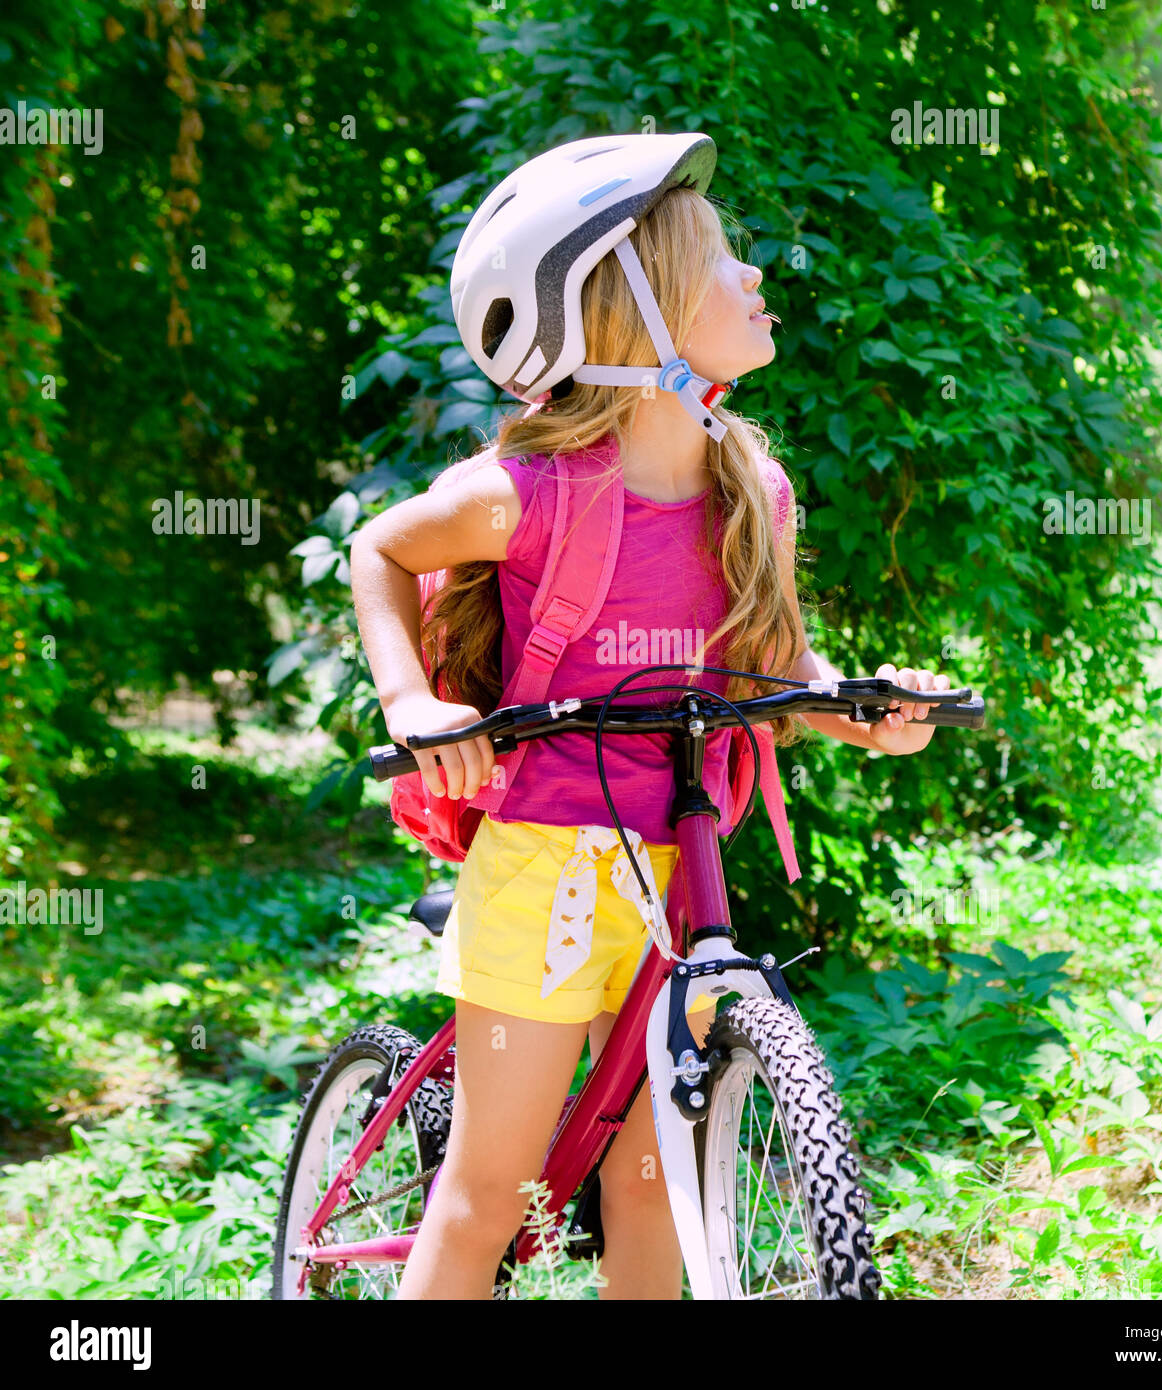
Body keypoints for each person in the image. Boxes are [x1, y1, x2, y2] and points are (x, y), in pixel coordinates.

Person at [350, 132, 950, 1300]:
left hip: (681, 869)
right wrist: (415, 699)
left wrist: (852, 707)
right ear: (629, 309)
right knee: (486, 1198)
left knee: (654, 1186)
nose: (755, 278)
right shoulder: (525, 492)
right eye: (722, 261)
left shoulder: (749, 488)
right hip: (544, 874)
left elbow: (764, 668)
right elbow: (380, 546)